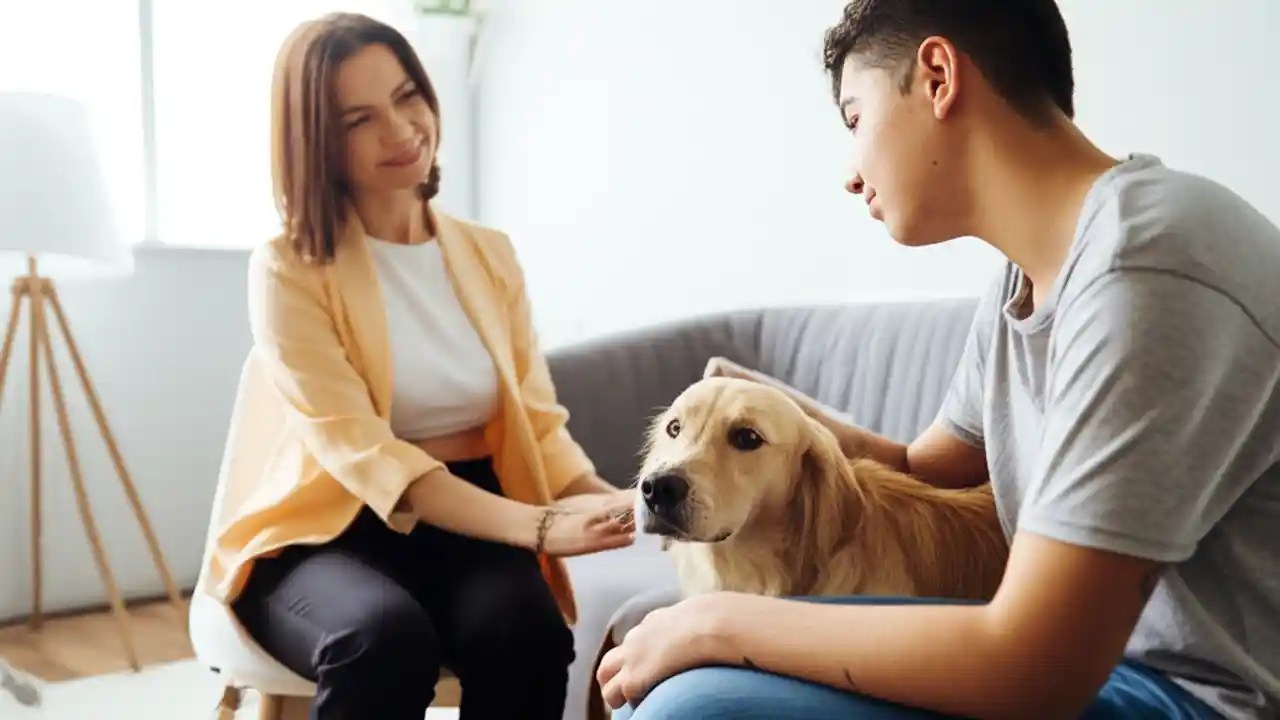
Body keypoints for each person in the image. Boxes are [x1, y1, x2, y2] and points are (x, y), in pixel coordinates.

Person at [597, 0, 1280, 718]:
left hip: (1196, 698)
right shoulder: (1034, 274)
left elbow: (1035, 668)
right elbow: (927, 469)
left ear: (937, 76)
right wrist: (777, 415)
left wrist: (717, 622)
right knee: (684, 683)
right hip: (1114, 672)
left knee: (699, 708)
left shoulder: (1146, 270)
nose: (851, 174)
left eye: (855, 120)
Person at [198, 12, 635, 720]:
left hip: (471, 511)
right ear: (315, 141)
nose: (401, 131)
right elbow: (365, 455)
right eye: (357, 119)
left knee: (527, 635)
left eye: (408, 97)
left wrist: (615, 503)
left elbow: (538, 426)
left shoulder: (488, 254)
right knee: (380, 639)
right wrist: (541, 527)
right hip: (324, 528)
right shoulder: (287, 267)